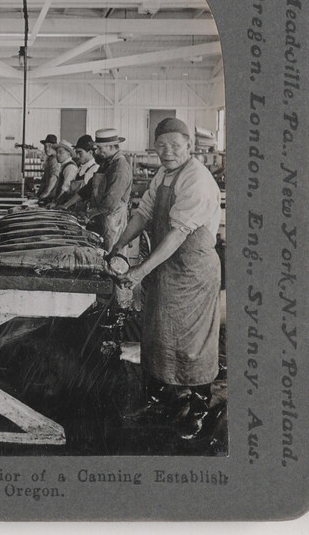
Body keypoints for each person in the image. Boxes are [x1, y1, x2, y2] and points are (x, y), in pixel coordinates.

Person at [111, 118, 223, 441]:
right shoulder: (162, 174)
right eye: (161, 145)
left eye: (175, 145)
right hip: (165, 269)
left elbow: (178, 234)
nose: (167, 151)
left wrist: (139, 271)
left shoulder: (197, 179)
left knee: (193, 343)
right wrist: (119, 244)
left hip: (192, 272)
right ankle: (161, 400)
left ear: (189, 146)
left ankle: (200, 407)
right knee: (158, 334)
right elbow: (143, 214)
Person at [55, 134, 100, 211]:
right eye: (76, 153)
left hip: (84, 210)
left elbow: (86, 193)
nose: (78, 156)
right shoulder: (80, 168)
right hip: (73, 208)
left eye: (80, 153)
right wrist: (57, 203)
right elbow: (68, 190)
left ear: (90, 153)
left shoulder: (94, 169)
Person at [37, 133, 61, 201]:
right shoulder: (49, 160)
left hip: (53, 197)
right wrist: (38, 193)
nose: (47, 149)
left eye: (50, 146)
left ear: (55, 147)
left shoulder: (55, 160)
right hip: (49, 196)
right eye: (45, 146)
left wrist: (46, 193)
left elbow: (54, 178)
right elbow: (44, 180)